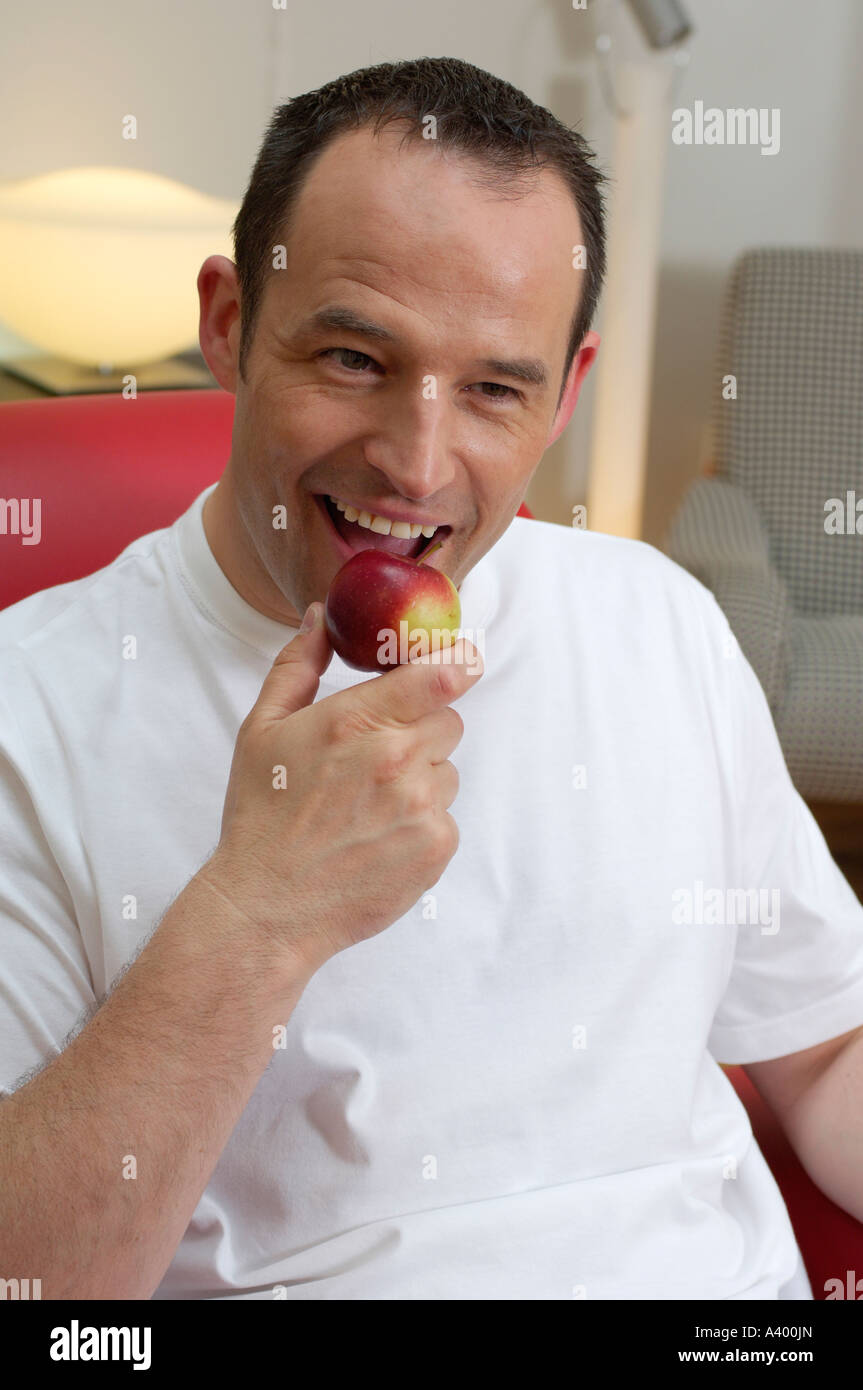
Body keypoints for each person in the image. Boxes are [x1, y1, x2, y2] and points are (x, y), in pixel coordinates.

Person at [1, 56, 862, 1302]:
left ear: (564, 394)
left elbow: (825, 1047)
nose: (414, 463)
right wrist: (255, 917)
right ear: (231, 324)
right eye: (353, 357)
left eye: (493, 389)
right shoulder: (33, 711)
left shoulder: (655, 622)